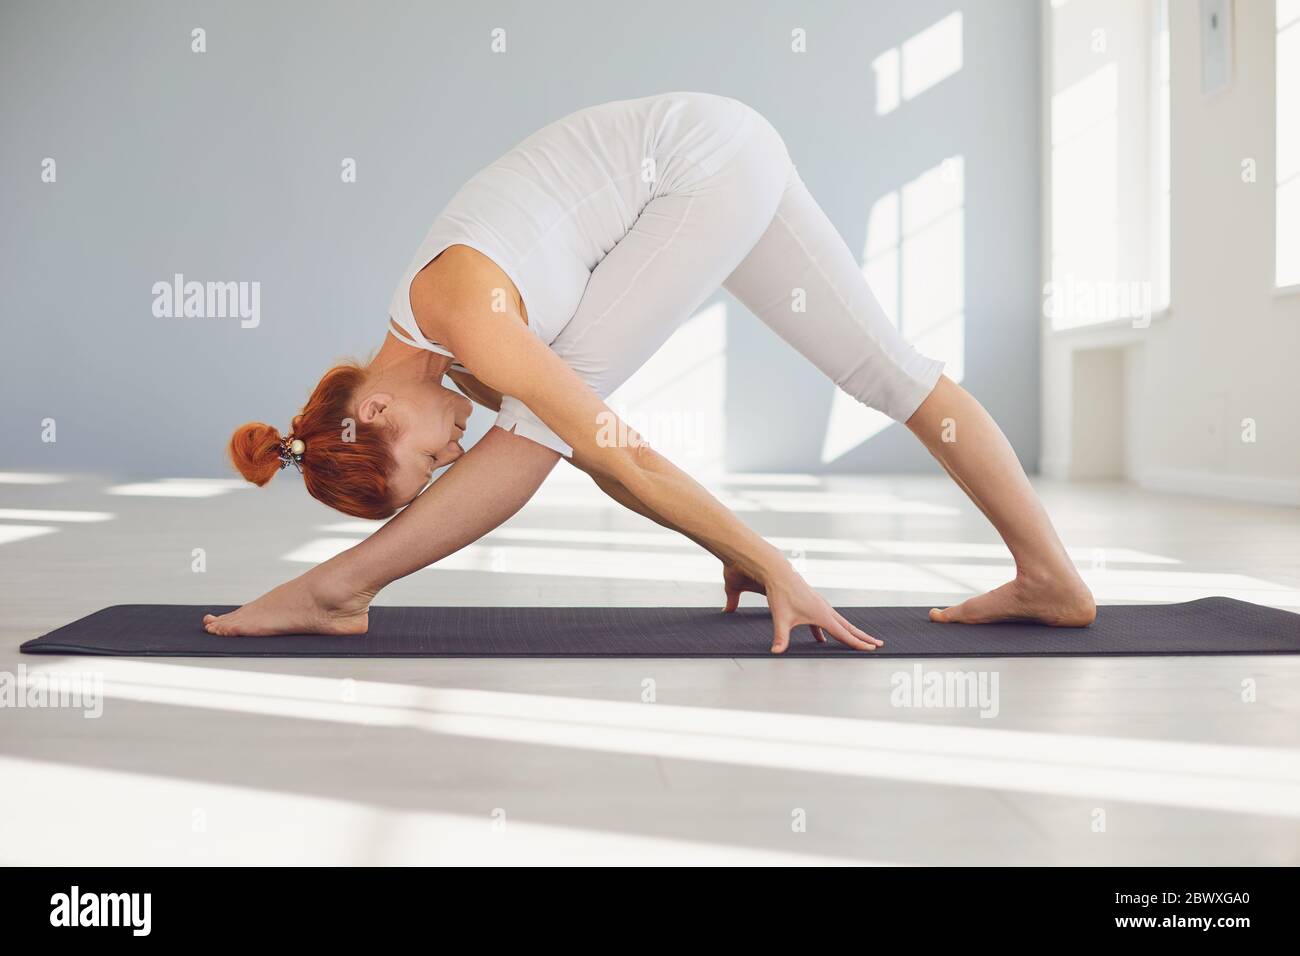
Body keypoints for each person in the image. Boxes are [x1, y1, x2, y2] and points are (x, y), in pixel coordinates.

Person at [207, 92, 1095, 653]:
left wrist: (765, 557)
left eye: (427, 461)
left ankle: (336, 588)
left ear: (376, 405)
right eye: (441, 470)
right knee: (890, 374)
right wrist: (731, 547)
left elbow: (612, 455)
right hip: (726, 145)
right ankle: (1052, 578)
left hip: (697, 165)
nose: (451, 456)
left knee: (544, 425)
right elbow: (602, 455)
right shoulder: (460, 358)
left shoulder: (464, 314)